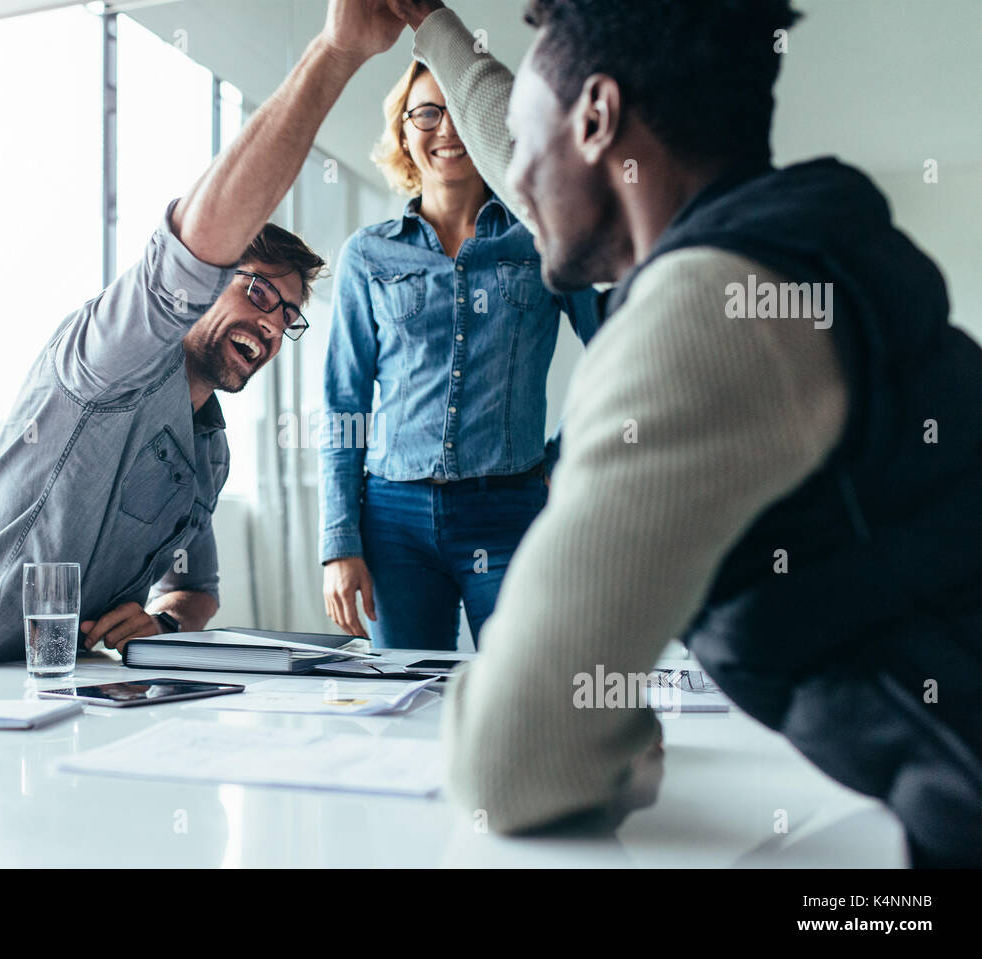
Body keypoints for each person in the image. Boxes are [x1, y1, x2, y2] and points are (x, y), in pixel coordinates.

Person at [402, 0, 981, 868]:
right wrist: (430, 24)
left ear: (596, 118)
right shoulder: (795, 253)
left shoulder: (707, 312)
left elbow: (516, 766)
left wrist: (607, 735)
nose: (510, 180)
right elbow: (527, 152)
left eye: (524, 147)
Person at [0, 0, 407, 678]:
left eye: (286, 316)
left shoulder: (210, 450)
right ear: (212, 283)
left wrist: (163, 620)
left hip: (54, 698)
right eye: (257, 291)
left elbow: (197, 591)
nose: (270, 324)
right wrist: (336, 52)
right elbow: (186, 255)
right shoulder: (112, 358)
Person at [319, 49, 596, 650]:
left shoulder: (545, 239)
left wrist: (565, 457)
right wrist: (339, 542)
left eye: (461, 113)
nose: (446, 129)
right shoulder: (368, 256)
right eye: (426, 114)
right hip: (391, 522)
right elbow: (344, 404)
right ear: (404, 132)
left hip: (512, 515)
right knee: (408, 704)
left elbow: (618, 349)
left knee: (525, 691)